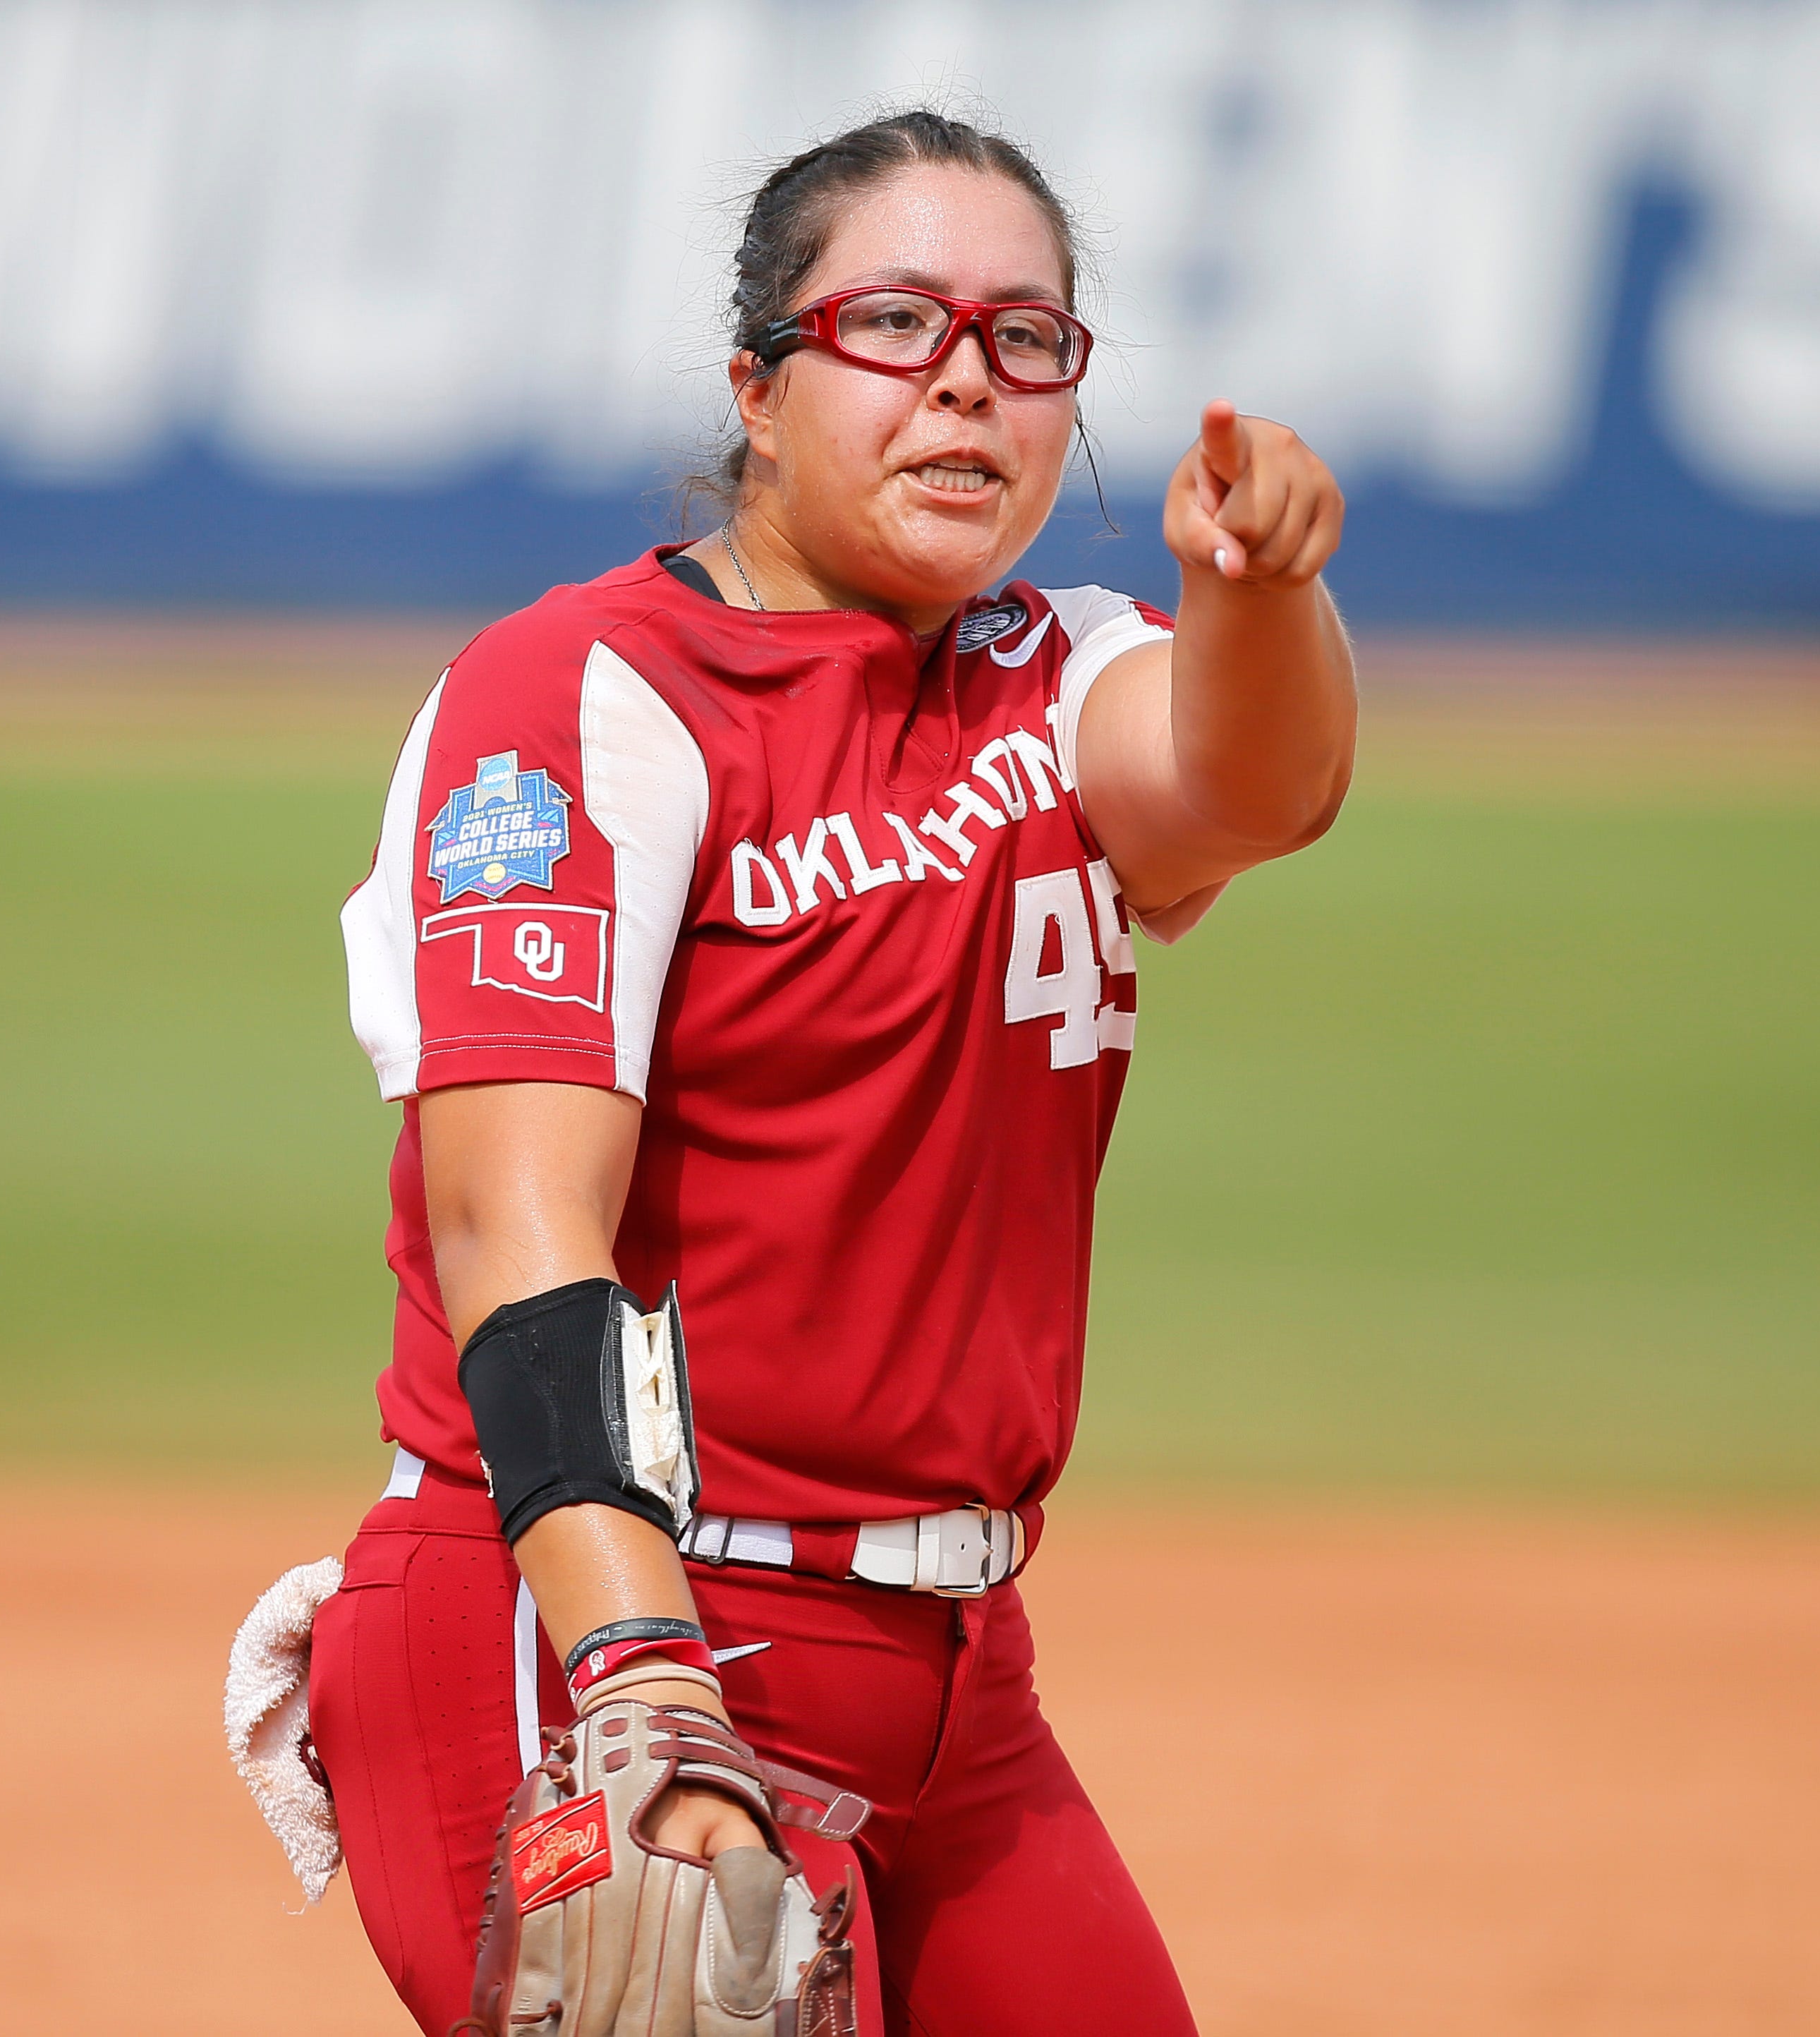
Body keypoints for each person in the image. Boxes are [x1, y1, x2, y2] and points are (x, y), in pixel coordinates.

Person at [308, 108, 1354, 2036]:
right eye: (893, 321)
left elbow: (1251, 788)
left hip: (954, 1668)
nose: (967, 373)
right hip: (609, 1615)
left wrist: (1265, 590)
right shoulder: (586, 698)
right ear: (758, 392)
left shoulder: (1059, 676)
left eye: (1026, 338)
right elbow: (513, 1220)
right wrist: (633, 1661)